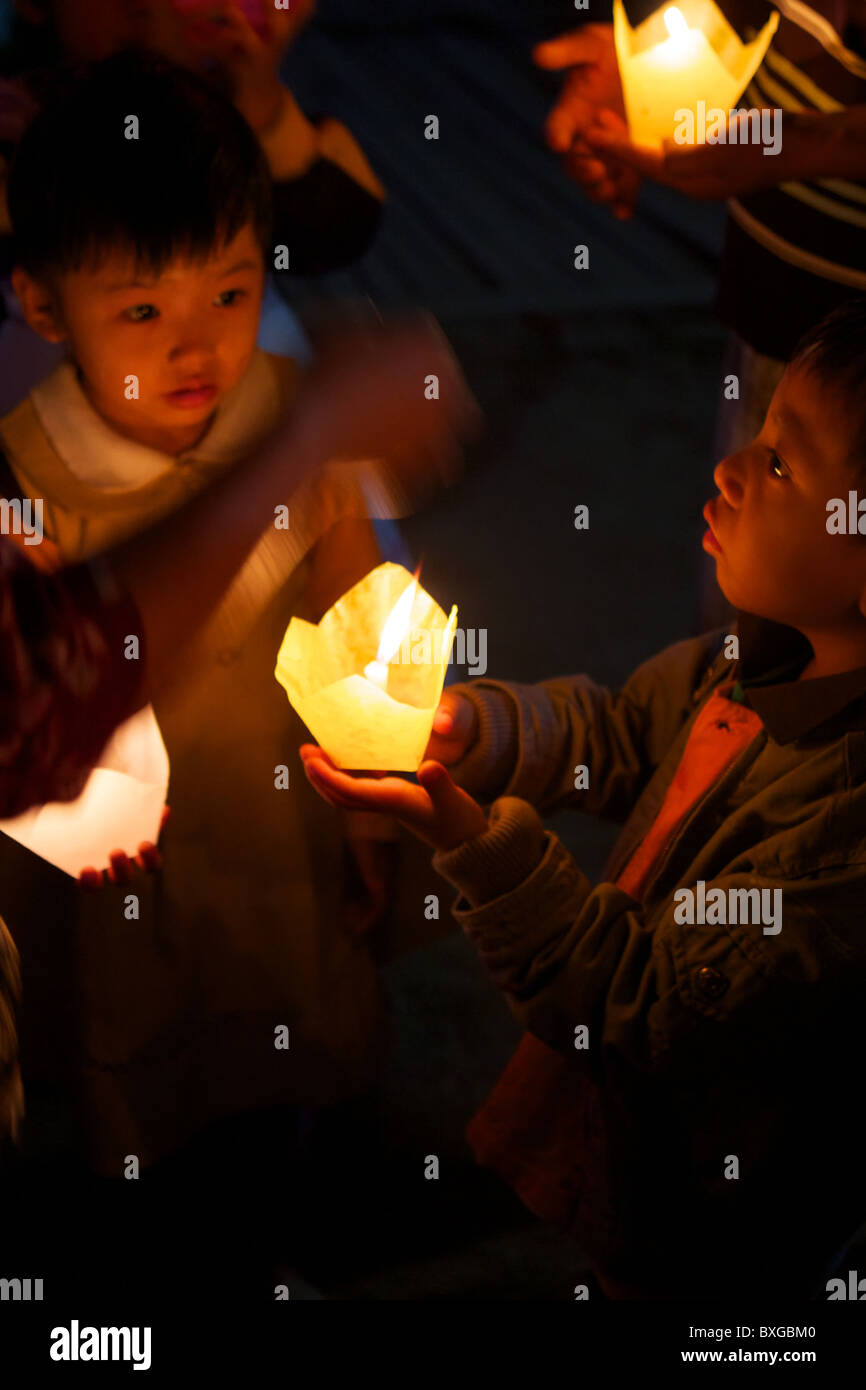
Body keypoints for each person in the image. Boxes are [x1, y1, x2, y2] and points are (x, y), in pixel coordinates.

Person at [302, 297, 866, 1299]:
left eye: (779, 465)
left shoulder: (836, 843)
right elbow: (615, 733)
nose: (728, 470)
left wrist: (478, 846)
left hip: (719, 1218)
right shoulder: (747, 661)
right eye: (757, 434)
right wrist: (477, 733)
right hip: (636, 1158)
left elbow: (634, 1002)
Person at [0, 51, 476, 1181]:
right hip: (127, 874)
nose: (195, 343)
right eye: (142, 308)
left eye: (229, 291)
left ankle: (297, 1184)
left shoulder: (285, 413)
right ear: (41, 304)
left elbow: (356, 606)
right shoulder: (33, 472)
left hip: (282, 828)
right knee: (146, 1070)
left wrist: (369, 800)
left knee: (292, 1034)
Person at [534, 1, 866, 622]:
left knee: (812, 624)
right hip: (770, 307)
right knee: (746, 610)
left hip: (852, 358)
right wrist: (647, 68)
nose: (721, 476)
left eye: (768, 461)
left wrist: (800, 144)